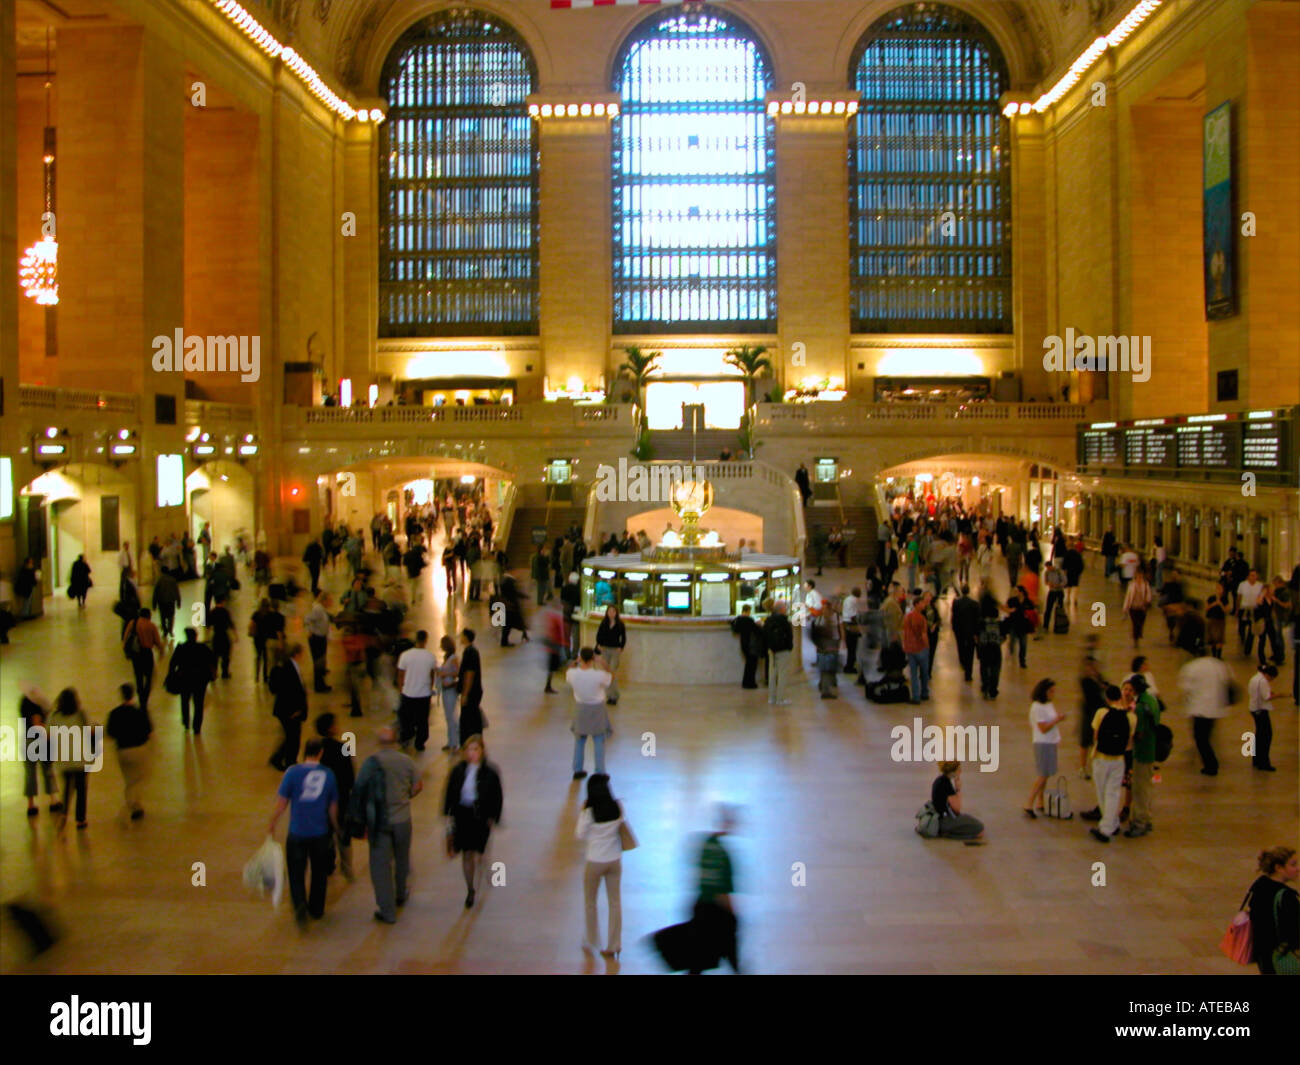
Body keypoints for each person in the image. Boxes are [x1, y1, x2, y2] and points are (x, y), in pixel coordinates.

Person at [267, 738, 338, 928]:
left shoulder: (292, 773)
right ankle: (316, 908)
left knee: (296, 872)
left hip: (297, 832)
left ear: (303, 753)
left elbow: (282, 803)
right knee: (319, 872)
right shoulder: (329, 775)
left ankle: (299, 904)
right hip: (320, 832)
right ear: (321, 753)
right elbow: (332, 807)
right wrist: (336, 827)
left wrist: (273, 822)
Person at [443, 734, 504, 910]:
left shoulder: (490, 772)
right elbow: (450, 792)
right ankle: (470, 888)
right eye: (469, 749)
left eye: (475, 749)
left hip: (481, 817)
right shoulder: (458, 770)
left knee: (480, 852)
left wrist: (495, 817)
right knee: (467, 853)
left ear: (482, 751)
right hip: (463, 815)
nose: (472, 753)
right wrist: (447, 813)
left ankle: (484, 868)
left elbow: (497, 796)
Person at [576, 773, 630, 958]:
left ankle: (591, 940)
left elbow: (580, 834)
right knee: (615, 902)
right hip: (614, 861)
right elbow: (622, 824)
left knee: (590, 902)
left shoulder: (589, 812)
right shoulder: (618, 807)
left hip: (595, 862)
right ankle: (615, 944)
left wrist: (583, 812)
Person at [691, 806, 741, 973]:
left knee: (698, 958)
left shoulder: (705, 844)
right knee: (731, 952)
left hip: (699, 906)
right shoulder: (723, 855)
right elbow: (722, 891)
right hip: (716, 911)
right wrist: (733, 915)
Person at [1088, 684, 1135, 843]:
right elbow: (1130, 740)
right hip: (1119, 760)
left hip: (1101, 758)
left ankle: (1106, 828)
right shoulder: (1131, 717)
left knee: (1102, 792)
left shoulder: (1102, 713)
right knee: (1113, 793)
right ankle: (1112, 823)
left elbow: (1095, 736)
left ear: (1107, 698)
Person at [1246, 846, 1299, 975]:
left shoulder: (1259, 885)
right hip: (1281, 955)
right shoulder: (1286, 896)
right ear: (1278, 868)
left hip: (1262, 953)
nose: (1298, 869)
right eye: (1293, 865)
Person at [315, 713, 356, 880]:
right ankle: (346, 868)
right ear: (332, 727)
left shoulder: (316, 749)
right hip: (341, 798)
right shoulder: (343, 748)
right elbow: (351, 777)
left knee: (325, 833)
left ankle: (327, 865)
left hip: (321, 799)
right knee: (343, 835)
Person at [1179, 648, 1231, 776]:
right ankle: (1211, 762)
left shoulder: (1191, 667)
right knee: (1206, 736)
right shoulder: (1218, 664)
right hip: (1215, 707)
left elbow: (1186, 688)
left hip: (1199, 708)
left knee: (1200, 738)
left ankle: (1211, 765)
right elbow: (1227, 681)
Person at [106, 682, 152, 821]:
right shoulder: (140, 712)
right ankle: (135, 804)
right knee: (138, 778)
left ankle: (132, 803)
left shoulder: (114, 713)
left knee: (129, 779)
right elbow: (148, 732)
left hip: (123, 750)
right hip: (138, 749)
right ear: (133, 694)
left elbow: (110, 733)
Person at [51, 688, 94, 831]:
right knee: (81, 789)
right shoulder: (81, 714)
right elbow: (89, 730)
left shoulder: (55, 716)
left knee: (67, 788)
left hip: (63, 759)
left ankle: (64, 814)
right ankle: (80, 820)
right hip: (80, 758)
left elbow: (48, 734)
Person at [1124, 674, 1160, 837]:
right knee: (1147, 786)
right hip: (1152, 748)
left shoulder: (1140, 706)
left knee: (1139, 788)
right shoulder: (1152, 700)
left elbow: (1139, 733)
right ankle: (1147, 817)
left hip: (1142, 751)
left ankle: (1140, 822)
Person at [567, 648, 613, 779]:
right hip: (597, 708)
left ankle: (577, 769)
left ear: (580, 658)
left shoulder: (573, 673)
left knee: (579, 740)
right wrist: (603, 663)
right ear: (593, 659)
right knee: (599, 740)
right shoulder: (599, 675)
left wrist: (575, 662)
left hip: (580, 708)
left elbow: (568, 670)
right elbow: (611, 676)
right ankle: (600, 771)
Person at [1024, 678, 1064, 818]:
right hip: (1043, 742)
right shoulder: (1037, 707)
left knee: (1046, 774)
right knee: (1043, 774)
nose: (1053, 694)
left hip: (1050, 742)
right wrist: (1057, 720)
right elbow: (1043, 728)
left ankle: (1040, 802)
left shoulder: (1048, 704)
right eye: (1051, 691)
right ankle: (1029, 802)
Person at [19, 687, 60, 817]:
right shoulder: (37, 706)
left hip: (27, 741)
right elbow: (37, 725)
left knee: (30, 774)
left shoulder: (23, 704)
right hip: (40, 741)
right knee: (47, 770)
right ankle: (53, 800)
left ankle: (31, 804)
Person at [168, 627, 216, 735]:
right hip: (200, 679)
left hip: (185, 678)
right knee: (199, 703)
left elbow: (173, 663)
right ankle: (197, 727)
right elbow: (212, 660)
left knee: (185, 700)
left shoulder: (181, 648)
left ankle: (186, 722)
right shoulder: (203, 648)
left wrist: (171, 674)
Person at [269, 644, 309, 770]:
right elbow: (288, 691)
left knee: (291, 735)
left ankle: (278, 758)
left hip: (288, 709)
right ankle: (289, 762)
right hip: (289, 710)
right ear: (297, 654)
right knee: (293, 736)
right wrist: (295, 710)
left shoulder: (289, 666)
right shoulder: (288, 668)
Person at [396, 629, 437, 751]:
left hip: (408, 692)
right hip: (424, 694)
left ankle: (407, 737)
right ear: (426, 640)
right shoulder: (430, 657)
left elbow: (400, 674)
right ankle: (420, 742)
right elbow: (432, 674)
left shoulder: (405, 655)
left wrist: (400, 689)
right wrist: (430, 688)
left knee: (406, 718)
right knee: (422, 720)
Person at [931, 761, 985, 842]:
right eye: (958, 770)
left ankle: (949, 831)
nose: (960, 772)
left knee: (970, 821)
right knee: (980, 829)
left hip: (940, 817)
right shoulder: (946, 784)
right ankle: (948, 833)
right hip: (945, 821)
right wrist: (958, 789)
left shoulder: (940, 780)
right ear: (952, 772)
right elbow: (957, 809)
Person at [123, 608, 163, 711]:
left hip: (136, 654)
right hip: (147, 653)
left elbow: (126, 637)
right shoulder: (151, 625)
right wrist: (161, 652)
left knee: (138, 676)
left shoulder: (133, 623)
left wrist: (126, 651)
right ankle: (145, 696)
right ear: (149, 616)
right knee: (149, 676)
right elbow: (158, 641)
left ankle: (141, 697)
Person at [762, 600, 795, 706]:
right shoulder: (784, 620)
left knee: (772, 674)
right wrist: (789, 647)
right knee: (782, 674)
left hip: (772, 650)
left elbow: (764, 634)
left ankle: (771, 698)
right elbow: (789, 635)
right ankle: (780, 699)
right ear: (781, 609)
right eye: (785, 607)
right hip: (783, 650)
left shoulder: (768, 620)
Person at [1248, 663, 1278, 772]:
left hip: (1254, 708)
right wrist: (1281, 695)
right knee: (1266, 736)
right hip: (1261, 710)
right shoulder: (1263, 681)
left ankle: (1256, 759)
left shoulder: (1255, 678)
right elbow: (1267, 697)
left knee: (1259, 735)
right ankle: (1264, 762)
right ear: (1268, 675)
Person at [594, 605, 627, 705]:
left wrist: (621, 647)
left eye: (613, 611)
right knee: (606, 673)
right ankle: (609, 695)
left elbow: (623, 637)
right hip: (605, 649)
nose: (611, 613)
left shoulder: (620, 624)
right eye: (610, 611)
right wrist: (599, 644)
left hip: (615, 650)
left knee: (612, 671)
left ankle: (615, 695)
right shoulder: (604, 623)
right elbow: (599, 635)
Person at [457, 628, 486, 742]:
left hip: (471, 692)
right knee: (472, 716)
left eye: (462, 635)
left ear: (466, 637)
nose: (460, 637)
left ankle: (469, 740)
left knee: (468, 717)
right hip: (474, 691)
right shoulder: (471, 651)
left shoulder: (470, 652)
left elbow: (469, 673)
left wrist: (465, 693)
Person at [811, 596, 842, 699]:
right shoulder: (821, 619)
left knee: (825, 668)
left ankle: (826, 684)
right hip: (828, 647)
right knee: (827, 668)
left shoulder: (823, 618)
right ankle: (826, 689)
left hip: (825, 647)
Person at [303, 592, 334, 693]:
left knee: (321, 662)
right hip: (316, 638)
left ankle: (321, 684)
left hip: (322, 637)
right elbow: (307, 619)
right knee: (318, 662)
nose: (331, 602)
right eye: (329, 600)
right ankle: (319, 686)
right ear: (324, 600)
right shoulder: (318, 609)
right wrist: (310, 630)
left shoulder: (323, 610)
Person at [902, 593, 930, 703]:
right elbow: (923, 635)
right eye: (922, 603)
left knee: (913, 674)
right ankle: (924, 693)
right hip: (921, 648)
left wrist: (905, 645)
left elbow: (904, 632)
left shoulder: (907, 617)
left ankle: (915, 697)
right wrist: (927, 646)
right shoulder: (922, 618)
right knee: (924, 673)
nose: (924, 605)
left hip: (910, 648)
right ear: (917, 604)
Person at [951, 585, 981, 683]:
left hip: (959, 630)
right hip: (970, 631)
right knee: (970, 651)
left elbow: (954, 617)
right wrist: (977, 633)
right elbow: (977, 620)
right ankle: (968, 673)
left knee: (961, 647)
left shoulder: (956, 603)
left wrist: (954, 628)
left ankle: (962, 662)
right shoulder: (974, 604)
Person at [436, 635, 461, 752]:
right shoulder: (447, 658)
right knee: (448, 717)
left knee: (452, 716)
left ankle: (456, 742)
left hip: (451, 689)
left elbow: (457, 672)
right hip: (445, 690)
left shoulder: (453, 658)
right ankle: (450, 741)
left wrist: (445, 674)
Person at [730, 605, 763, 689]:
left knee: (748, 664)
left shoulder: (738, 619)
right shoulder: (749, 620)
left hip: (744, 644)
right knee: (752, 664)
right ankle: (750, 683)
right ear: (748, 610)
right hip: (751, 645)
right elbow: (758, 631)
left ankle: (746, 682)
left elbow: (734, 627)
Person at [1123, 566, 1153, 647]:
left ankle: (1138, 633)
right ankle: (1135, 639)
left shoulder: (1146, 585)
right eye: (1138, 576)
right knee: (1135, 623)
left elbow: (1149, 595)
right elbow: (1128, 596)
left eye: (1141, 576)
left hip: (1142, 607)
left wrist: (1148, 601)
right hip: (1133, 607)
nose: (1139, 578)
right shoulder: (1131, 585)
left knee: (1141, 623)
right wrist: (1125, 607)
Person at [207, 597, 236, 679]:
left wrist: (208, 636)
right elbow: (230, 623)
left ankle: (214, 673)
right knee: (225, 655)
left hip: (216, 635)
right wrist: (235, 635)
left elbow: (208, 625)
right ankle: (225, 672)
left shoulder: (213, 611)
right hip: (224, 635)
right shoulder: (225, 612)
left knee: (215, 656)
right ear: (223, 601)